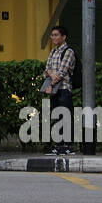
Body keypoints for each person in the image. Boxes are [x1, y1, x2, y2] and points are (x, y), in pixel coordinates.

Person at [42, 25, 76, 155]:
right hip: (54, 90)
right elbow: (47, 69)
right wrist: (51, 76)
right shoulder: (53, 51)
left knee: (66, 116)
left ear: (64, 37)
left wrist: (51, 83)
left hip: (64, 89)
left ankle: (68, 146)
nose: (54, 38)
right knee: (57, 116)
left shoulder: (68, 51)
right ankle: (59, 145)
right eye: (52, 35)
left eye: (56, 35)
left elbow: (62, 72)